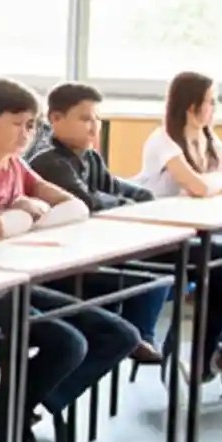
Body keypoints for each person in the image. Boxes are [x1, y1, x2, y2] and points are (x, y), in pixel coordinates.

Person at [0, 79, 140, 442]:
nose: (26, 134)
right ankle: (5, 420)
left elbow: (75, 207)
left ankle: (9, 414)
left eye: (31, 125)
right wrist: (25, 211)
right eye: (18, 123)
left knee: (120, 334)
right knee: (68, 344)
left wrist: (20, 215)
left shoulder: (15, 166)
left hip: (9, 282)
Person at [132, 71, 222, 397]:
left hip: (200, 234)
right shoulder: (163, 139)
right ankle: (203, 361)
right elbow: (197, 186)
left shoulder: (208, 138)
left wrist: (221, 182)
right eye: (211, 101)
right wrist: (219, 181)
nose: (215, 107)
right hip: (163, 239)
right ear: (191, 106)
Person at [29, 83, 168, 362]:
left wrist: (138, 200)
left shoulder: (90, 157)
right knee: (153, 281)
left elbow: (121, 191)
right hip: (60, 268)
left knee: (158, 277)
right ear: (55, 119)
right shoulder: (49, 161)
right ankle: (134, 339)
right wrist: (122, 203)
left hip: (93, 254)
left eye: (97, 118)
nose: (94, 126)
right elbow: (87, 203)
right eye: (85, 118)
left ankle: (135, 338)